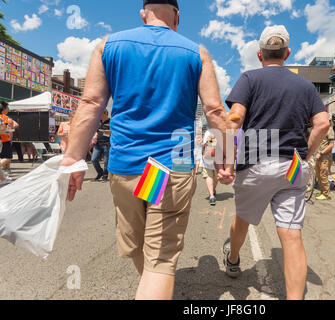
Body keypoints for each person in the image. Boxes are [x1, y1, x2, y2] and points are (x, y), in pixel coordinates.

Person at [61, 0, 232, 300]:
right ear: (177, 16)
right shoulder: (196, 53)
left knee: (139, 248)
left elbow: (90, 104)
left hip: (126, 166)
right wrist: (226, 159)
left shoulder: (108, 46)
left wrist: (73, 159)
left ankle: (155, 286)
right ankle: (157, 285)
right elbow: (215, 109)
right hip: (172, 166)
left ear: (143, 13)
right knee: (161, 261)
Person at [224, 25, 330, 300]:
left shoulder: (249, 78)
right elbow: (322, 123)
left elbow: (235, 117)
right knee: (292, 235)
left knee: (243, 219)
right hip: (292, 165)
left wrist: (224, 159)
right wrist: (305, 153)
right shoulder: (305, 86)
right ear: (287, 53)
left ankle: (233, 259)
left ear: (260, 54)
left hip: (256, 160)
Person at [315, 126, 335, 200]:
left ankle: (326, 194)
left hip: (325, 157)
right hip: (318, 157)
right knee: (318, 175)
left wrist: (321, 153)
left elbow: (331, 145)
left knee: (323, 175)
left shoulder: (329, 129)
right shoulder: (320, 129)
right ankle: (322, 192)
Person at [200, 129, 219, 205]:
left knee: (208, 175)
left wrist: (202, 154)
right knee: (216, 176)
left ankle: (211, 196)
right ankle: (213, 190)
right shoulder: (223, 131)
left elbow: (204, 144)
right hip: (218, 158)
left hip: (208, 157)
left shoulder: (208, 132)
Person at [92, 110, 111, 182]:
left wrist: (107, 132)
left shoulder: (110, 122)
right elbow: (96, 131)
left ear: (105, 114)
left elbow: (114, 131)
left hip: (107, 144)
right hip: (97, 144)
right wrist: (95, 136)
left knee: (106, 161)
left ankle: (105, 176)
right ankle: (100, 173)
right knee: (94, 160)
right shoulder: (97, 122)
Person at [0, 102, 19, 175]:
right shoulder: (4, 117)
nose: (8, 109)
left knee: (3, 157)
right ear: (3, 109)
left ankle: (3, 176)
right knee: (8, 157)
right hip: (4, 139)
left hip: (4, 139)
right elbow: (3, 129)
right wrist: (8, 130)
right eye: (7, 108)